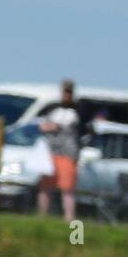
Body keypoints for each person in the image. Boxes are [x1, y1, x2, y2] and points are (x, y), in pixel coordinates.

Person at [38, 80, 81, 222]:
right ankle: (42, 215)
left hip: (67, 153)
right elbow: (43, 126)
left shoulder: (76, 111)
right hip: (51, 153)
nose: (66, 95)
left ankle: (69, 218)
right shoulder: (54, 110)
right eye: (64, 92)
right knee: (45, 186)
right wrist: (50, 126)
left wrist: (53, 126)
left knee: (67, 188)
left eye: (68, 92)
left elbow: (65, 125)